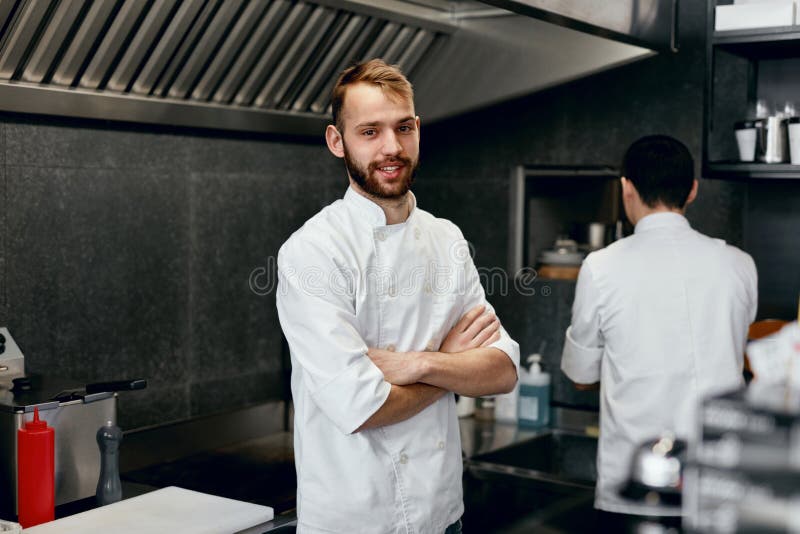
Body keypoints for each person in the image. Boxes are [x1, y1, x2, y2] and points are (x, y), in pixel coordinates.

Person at [276, 59, 519, 534]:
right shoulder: (313, 251)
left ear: (418, 131)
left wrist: (419, 364)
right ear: (336, 141)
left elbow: (502, 371)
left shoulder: (446, 238)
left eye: (403, 128)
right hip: (354, 522)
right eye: (370, 132)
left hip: (442, 516)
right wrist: (451, 366)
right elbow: (361, 405)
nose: (392, 147)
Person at [560, 135, 758, 520]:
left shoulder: (601, 267)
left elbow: (581, 377)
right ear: (693, 190)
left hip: (636, 484)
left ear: (626, 188)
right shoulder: (740, 265)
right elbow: (732, 347)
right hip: (717, 483)